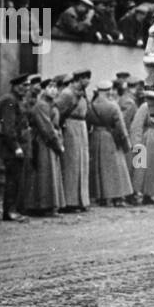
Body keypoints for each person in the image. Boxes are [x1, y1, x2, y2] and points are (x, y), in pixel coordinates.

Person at [23, 76, 65, 215]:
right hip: (42, 142)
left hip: (50, 141)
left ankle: (48, 204)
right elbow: (46, 127)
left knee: (49, 172)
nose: (53, 90)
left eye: (55, 88)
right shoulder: (41, 105)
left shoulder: (51, 104)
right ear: (44, 89)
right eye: (49, 87)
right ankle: (41, 205)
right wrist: (57, 144)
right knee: (44, 172)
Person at [88, 80, 135, 206]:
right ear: (109, 90)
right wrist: (126, 144)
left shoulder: (91, 105)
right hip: (110, 138)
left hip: (96, 136)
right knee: (115, 169)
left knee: (100, 168)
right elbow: (120, 127)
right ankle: (117, 197)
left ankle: (102, 197)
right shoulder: (113, 106)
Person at [0, 74, 30, 222]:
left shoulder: (16, 100)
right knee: (12, 179)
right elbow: (8, 127)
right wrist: (16, 147)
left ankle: (11, 209)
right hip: (10, 145)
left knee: (15, 178)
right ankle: (9, 211)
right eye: (23, 86)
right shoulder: (9, 101)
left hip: (16, 143)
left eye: (27, 86)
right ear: (15, 86)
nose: (25, 89)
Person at [55, 70, 92, 212]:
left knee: (82, 163)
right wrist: (60, 126)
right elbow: (57, 111)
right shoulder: (67, 94)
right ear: (78, 79)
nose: (88, 81)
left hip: (81, 129)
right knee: (71, 164)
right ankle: (69, 202)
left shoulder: (82, 94)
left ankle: (81, 200)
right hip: (70, 128)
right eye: (85, 78)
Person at [127, 79, 154, 206]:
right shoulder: (145, 106)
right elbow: (136, 125)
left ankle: (151, 194)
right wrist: (136, 143)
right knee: (140, 168)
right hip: (147, 139)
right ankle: (135, 194)